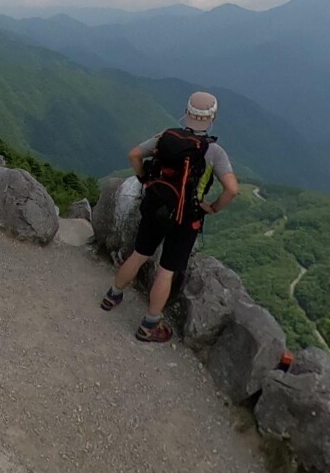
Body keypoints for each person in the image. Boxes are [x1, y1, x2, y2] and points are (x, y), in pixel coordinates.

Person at [100, 90, 239, 342]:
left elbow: (134, 155)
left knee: (139, 254)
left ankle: (112, 295)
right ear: (213, 118)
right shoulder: (214, 151)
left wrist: (145, 179)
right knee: (166, 270)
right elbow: (232, 189)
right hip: (186, 217)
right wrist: (212, 207)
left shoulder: (166, 137)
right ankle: (149, 325)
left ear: (186, 112)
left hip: (156, 206)